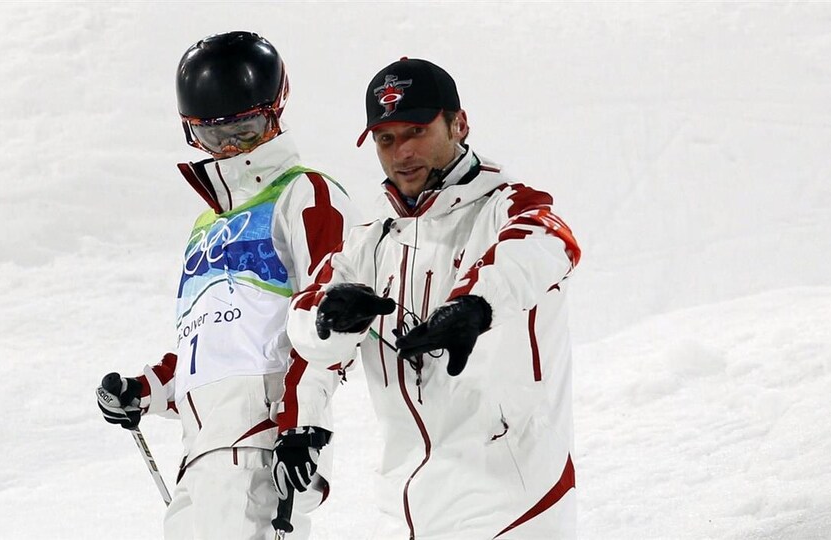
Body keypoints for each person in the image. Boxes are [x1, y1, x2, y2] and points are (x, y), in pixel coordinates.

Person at [279, 57, 582, 539]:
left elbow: (548, 244)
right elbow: (307, 323)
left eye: (416, 130)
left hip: (514, 500)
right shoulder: (369, 241)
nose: (402, 153)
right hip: (406, 508)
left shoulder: (507, 206)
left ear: (458, 124)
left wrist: (475, 306)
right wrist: (326, 321)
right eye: (386, 139)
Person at [95, 31, 357, 540]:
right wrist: (147, 391)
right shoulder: (206, 227)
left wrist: (304, 426)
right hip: (200, 456)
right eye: (215, 137)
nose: (233, 146)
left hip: (261, 449)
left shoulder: (306, 195)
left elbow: (333, 321)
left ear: (276, 110)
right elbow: (218, 351)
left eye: (248, 127)